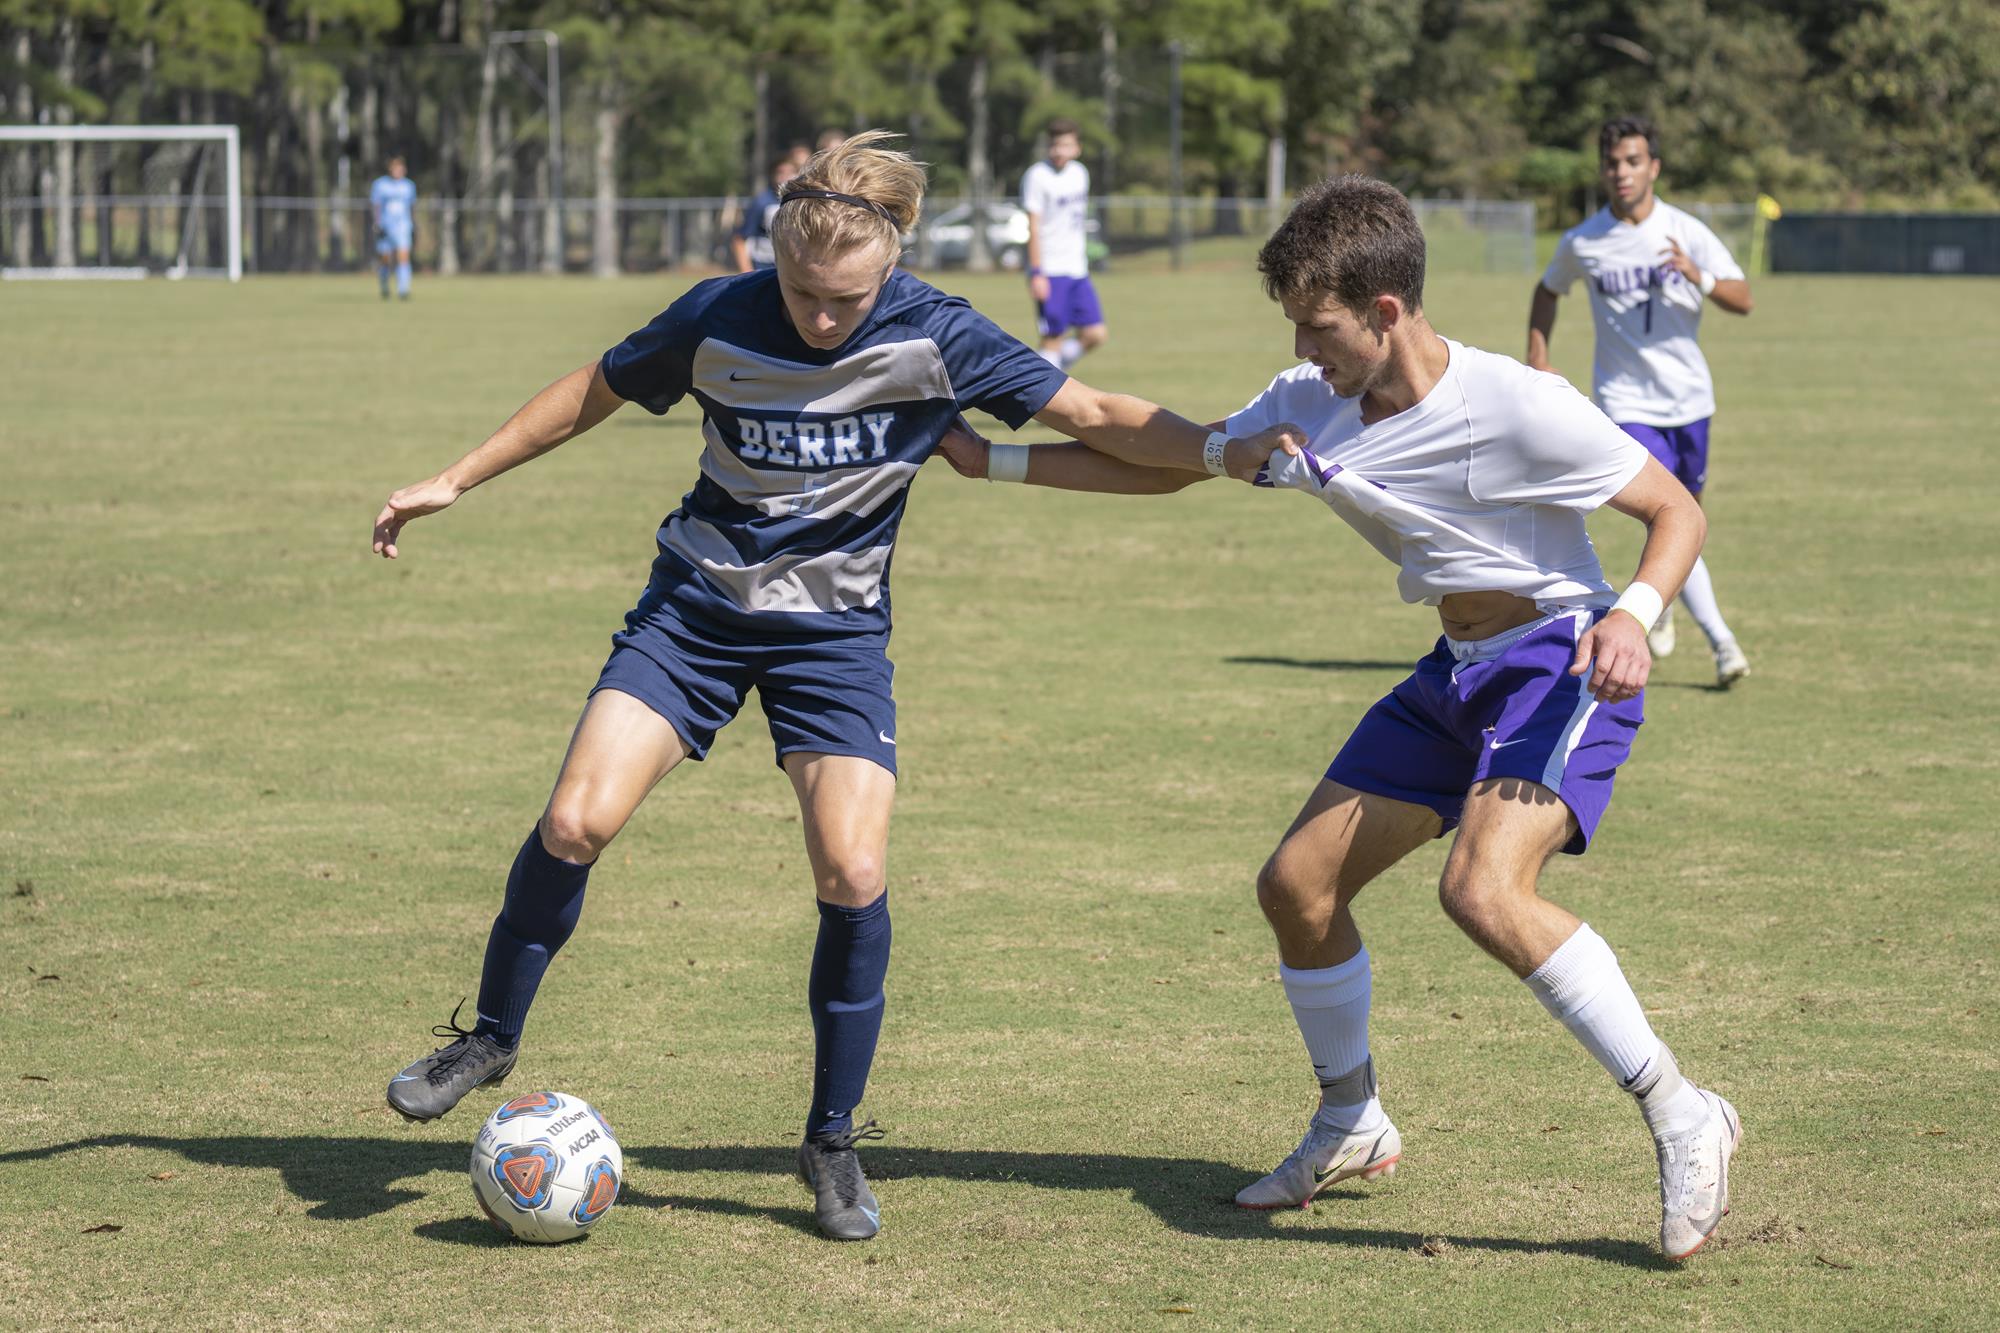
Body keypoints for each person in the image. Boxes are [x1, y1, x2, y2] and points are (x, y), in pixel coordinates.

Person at [370, 130, 1282, 1242]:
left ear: (890, 263)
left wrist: (1229, 449)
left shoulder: (940, 335)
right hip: (695, 614)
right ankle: (491, 1036)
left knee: (852, 868)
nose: (818, 318)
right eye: (802, 292)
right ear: (775, 256)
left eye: (845, 299)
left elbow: (1092, 417)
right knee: (574, 817)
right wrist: (453, 478)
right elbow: (591, 392)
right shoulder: (718, 313)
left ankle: (829, 1140)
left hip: (833, 639)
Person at [941, 175, 1741, 1263]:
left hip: (1558, 657)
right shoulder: (1307, 399)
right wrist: (993, 459)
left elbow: (1672, 510)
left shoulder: (1519, 403)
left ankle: (1682, 1110)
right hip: (1452, 672)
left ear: (1384, 312)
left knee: (1481, 889)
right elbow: (1171, 456)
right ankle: (1350, 1120)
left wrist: (1637, 618)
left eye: (1320, 330)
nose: (1306, 352)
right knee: (1295, 886)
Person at [1529, 115, 1754, 687]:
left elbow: (1743, 298)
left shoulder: (1685, 230)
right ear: (1602, 170)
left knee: (1684, 524)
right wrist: (1538, 353)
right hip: (1625, 404)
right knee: (1679, 517)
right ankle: (1724, 644)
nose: (1621, 172)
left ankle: (1667, 598)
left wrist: (1696, 274)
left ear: (1654, 166)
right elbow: (1548, 289)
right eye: (1612, 163)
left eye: (1633, 161)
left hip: (1690, 400)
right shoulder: (1584, 240)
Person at [1021, 118, 1106, 370]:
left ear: (1077, 148)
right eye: (1055, 145)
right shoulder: (1037, 176)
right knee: (1053, 337)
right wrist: (1037, 273)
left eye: (1066, 145)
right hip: (1050, 269)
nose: (1060, 151)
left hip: (1077, 269)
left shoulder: (1080, 173)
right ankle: (1045, 386)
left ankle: (1048, 374)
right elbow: (1033, 227)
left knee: (1095, 334)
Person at [729, 155, 796, 273]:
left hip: (791, 269)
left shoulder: (800, 202)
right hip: (764, 267)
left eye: (790, 172)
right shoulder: (761, 202)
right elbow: (739, 239)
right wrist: (747, 272)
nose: (786, 177)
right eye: (780, 172)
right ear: (772, 175)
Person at [369, 156, 416, 301]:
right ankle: (384, 287)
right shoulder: (380, 184)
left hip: (403, 226)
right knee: (385, 259)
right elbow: (376, 205)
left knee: (403, 257)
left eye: (400, 168)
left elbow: (411, 207)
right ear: (390, 169)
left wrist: (414, 224)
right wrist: (376, 223)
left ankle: (403, 290)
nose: (398, 171)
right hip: (385, 226)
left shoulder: (409, 186)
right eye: (395, 168)